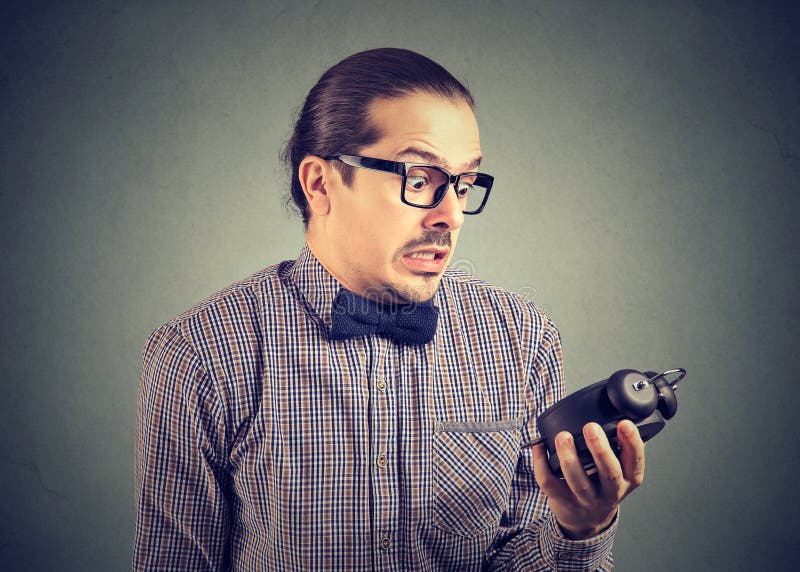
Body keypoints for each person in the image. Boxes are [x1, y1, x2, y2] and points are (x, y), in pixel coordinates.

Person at [134, 47, 645, 571]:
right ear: (320, 183)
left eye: (464, 184)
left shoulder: (522, 337)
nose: (452, 215)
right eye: (419, 179)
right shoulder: (199, 352)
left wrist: (578, 530)